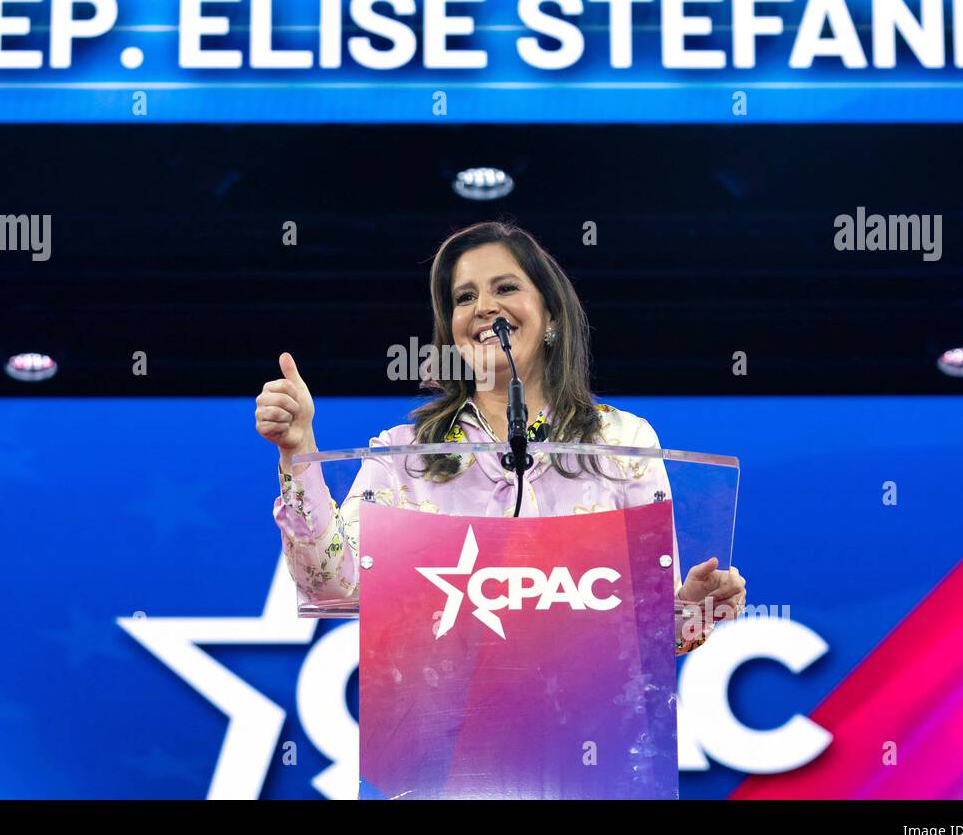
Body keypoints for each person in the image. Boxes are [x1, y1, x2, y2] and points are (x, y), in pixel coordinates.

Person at [256, 221, 746, 654]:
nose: (484, 307)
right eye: (464, 297)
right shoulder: (404, 456)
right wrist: (298, 451)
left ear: (551, 316)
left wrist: (694, 610)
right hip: (440, 740)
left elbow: (653, 629)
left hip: (588, 737)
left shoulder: (623, 442)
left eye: (505, 288)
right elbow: (333, 587)